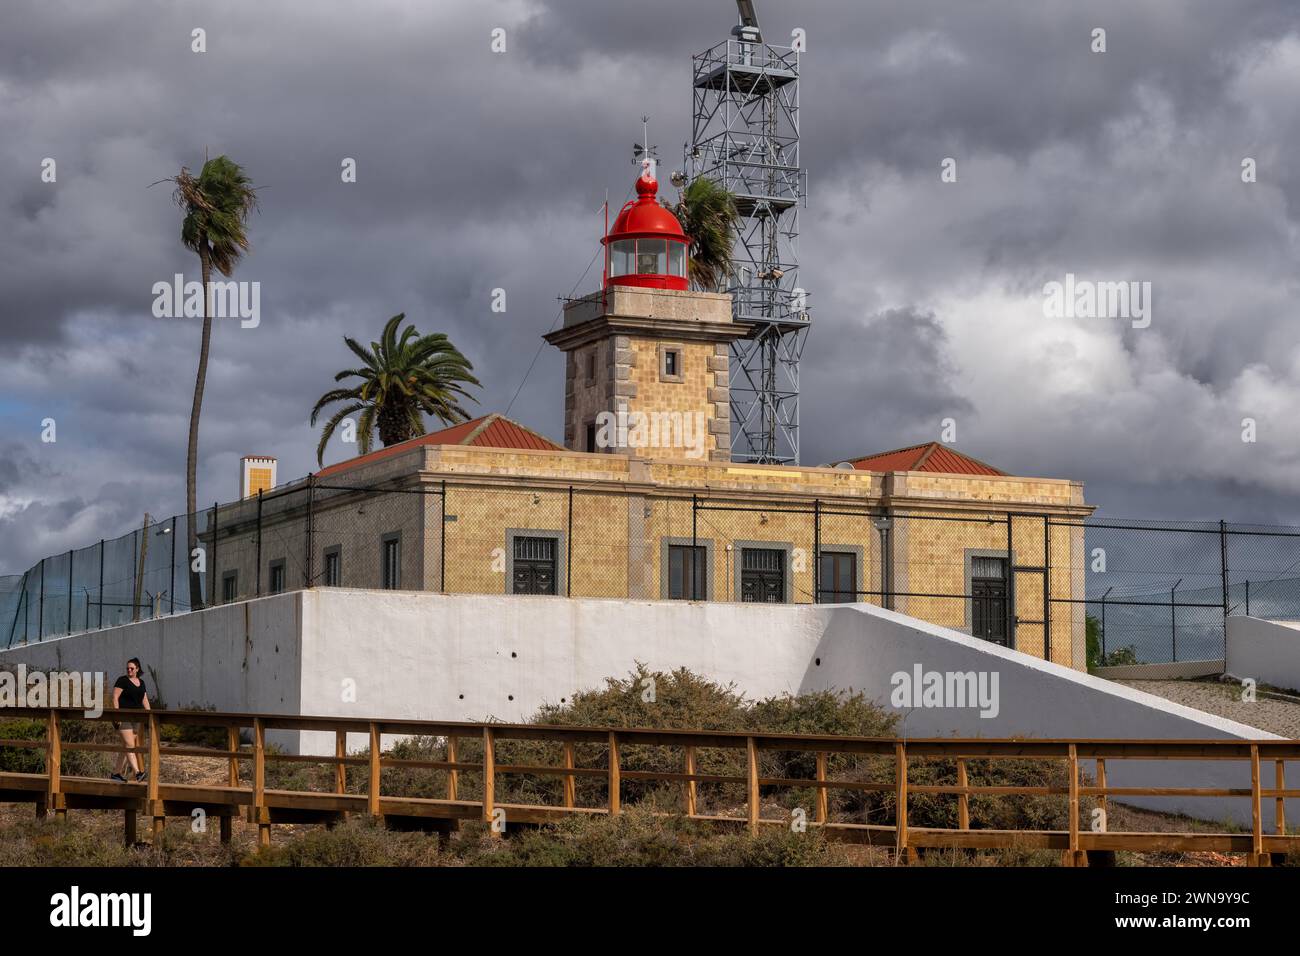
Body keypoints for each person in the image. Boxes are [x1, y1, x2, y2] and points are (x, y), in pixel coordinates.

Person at [110, 658, 151, 783]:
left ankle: (116, 773)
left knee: (126, 746)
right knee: (130, 745)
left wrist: (150, 714)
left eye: (132, 668)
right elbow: (115, 697)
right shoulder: (122, 680)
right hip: (123, 717)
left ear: (137, 669)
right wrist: (116, 715)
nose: (129, 670)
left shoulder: (142, 682)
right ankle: (138, 773)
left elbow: (144, 698)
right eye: (127, 668)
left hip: (136, 718)